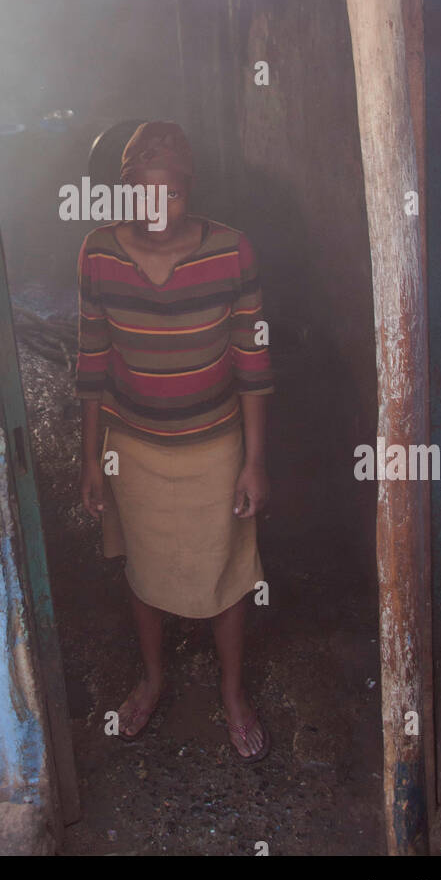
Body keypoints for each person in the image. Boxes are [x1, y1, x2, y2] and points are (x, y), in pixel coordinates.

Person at [76, 120, 274, 762]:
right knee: (144, 572)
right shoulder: (98, 252)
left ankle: (234, 691)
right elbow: (92, 362)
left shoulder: (232, 251)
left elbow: (253, 360)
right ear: (123, 191)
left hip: (215, 448)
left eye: (174, 196)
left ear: (191, 192)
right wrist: (91, 462)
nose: (158, 213)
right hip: (132, 446)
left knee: (226, 572)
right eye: (143, 195)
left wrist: (254, 462)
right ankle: (155, 679)